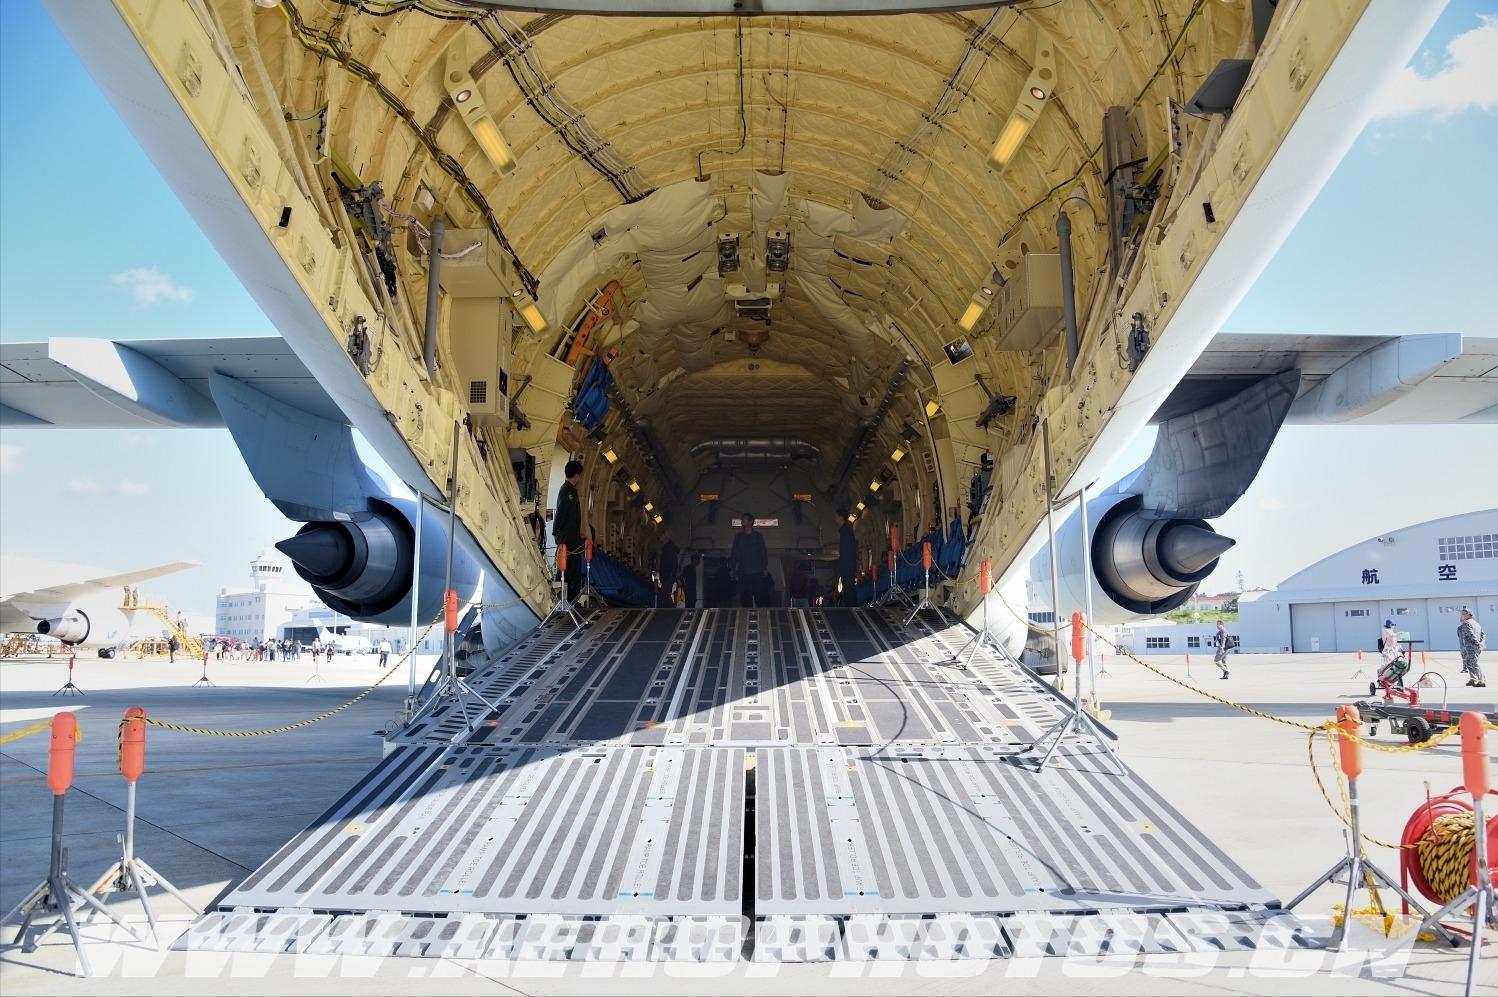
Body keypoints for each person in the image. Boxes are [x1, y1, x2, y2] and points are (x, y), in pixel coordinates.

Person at [553, 459, 585, 602]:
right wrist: (557, 533)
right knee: (567, 570)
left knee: (573, 571)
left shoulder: (571, 491)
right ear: (577, 475)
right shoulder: (566, 491)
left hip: (572, 537)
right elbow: (560, 514)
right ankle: (565, 601)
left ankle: (571, 600)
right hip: (567, 537)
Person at [729, 514, 769, 607]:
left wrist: (765, 567)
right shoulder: (738, 537)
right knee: (745, 596)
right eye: (742, 520)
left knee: (759, 595)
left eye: (744, 520)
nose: (742, 522)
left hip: (757, 571)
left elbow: (763, 551)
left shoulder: (758, 536)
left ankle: (761, 616)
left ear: (751, 522)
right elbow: (734, 552)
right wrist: (732, 568)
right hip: (743, 571)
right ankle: (746, 616)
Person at [1458, 608, 1486, 688]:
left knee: (1475, 663)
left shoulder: (1466, 623)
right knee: (1468, 663)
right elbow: (1483, 634)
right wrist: (1482, 643)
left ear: (1469, 615)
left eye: (1463, 614)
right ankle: (1473, 678)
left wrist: (1477, 642)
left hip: (1471, 647)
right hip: (1474, 647)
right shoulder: (1477, 624)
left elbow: (1470, 634)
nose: (1461, 616)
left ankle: (1482, 680)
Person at [836, 508, 858, 607]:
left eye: (836, 516)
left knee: (849, 588)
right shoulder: (846, 530)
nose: (834, 519)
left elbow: (847, 551)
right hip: (848, 565)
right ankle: (851, 607)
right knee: (848, 587)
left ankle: (852, 608)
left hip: (847, 565)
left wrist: (843, 565)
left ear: (841, 517)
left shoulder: (846, 531)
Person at [1377, 618, 1406, 687]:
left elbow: (1396, 643)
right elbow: (1392, 636)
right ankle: (1380, 677)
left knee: (1397, 665)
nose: (1393, 626)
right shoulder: (1386, 631)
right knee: (1386, 666)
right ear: (1389, 625)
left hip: (1393, 651)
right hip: (1388, 651)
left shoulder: (1391, 632)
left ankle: (1395, 680)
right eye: (1392, 625)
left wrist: (1401, 650)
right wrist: (1399, 634)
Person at [657, 530, 680, 607]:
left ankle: (672, 611)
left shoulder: (668, 549)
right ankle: (670, 611)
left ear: (665, 537)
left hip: (667, 576)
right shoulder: (668, 548)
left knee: (665, 595)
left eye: (661, 535)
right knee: (665, 595)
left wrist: (665, 576)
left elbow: (667, 564)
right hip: (668, 576)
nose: (659, 537)